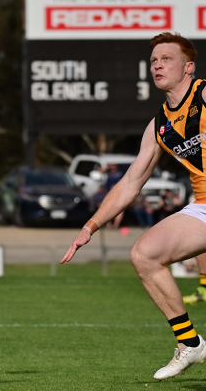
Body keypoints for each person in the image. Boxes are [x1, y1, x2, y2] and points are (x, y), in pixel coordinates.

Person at [62, 33, 206, 380]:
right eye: (154, 60)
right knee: (144, 254)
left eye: (166, 59)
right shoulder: (159, 126)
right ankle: (191, 344)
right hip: (203, 206)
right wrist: (89, 227)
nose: (157, 65)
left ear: (189, 67)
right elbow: (130, 182)